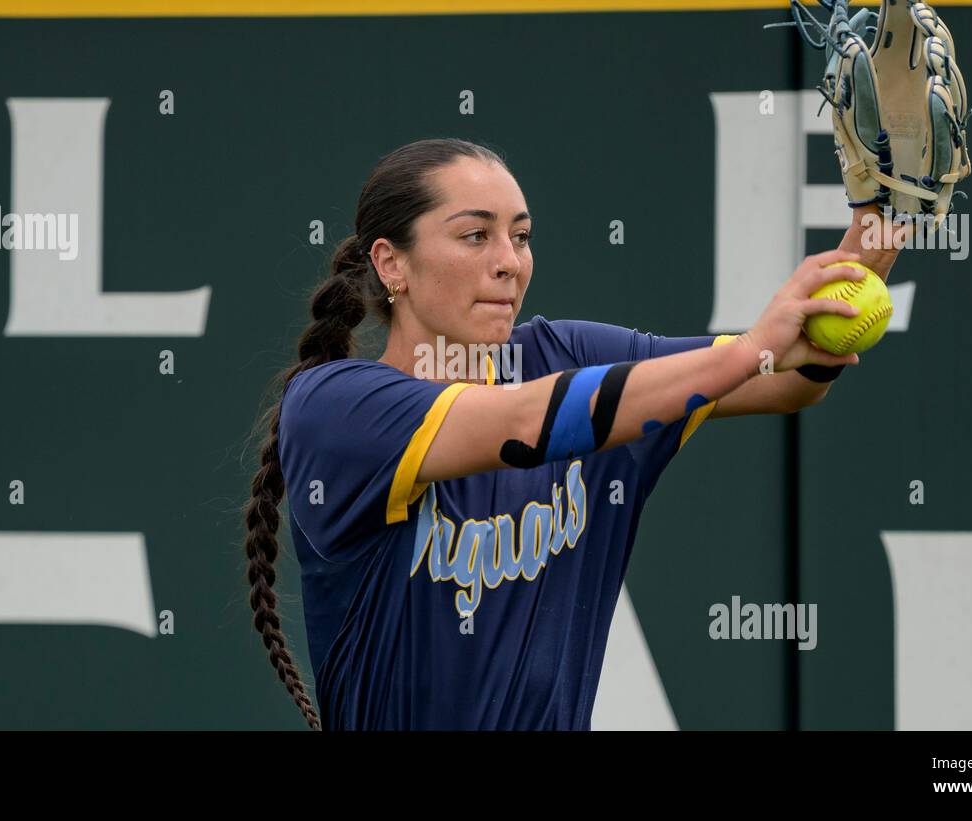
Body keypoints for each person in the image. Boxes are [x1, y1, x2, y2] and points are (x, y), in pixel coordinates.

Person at [241, 137, 900, 730]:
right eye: (475, 236)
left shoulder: (564, 354)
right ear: (391, 263)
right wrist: (747, 347)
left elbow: (785, 375)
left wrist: (882, 211)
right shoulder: (336, 408)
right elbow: (525, 422)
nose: (510, 262)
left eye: (521, 237)